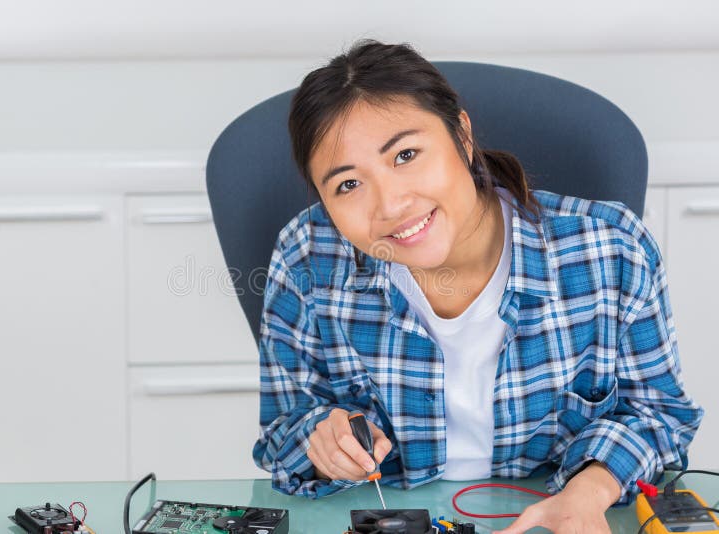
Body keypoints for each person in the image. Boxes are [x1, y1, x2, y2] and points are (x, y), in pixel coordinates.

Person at [251, 39, 703, 533]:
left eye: (405, 154)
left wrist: (587, 492)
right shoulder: (306, 255)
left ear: (462, 137)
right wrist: (321, 443)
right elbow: (284, 431)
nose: (390, 204)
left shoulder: (612, 251)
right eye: (348, 185)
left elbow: (658, 416)